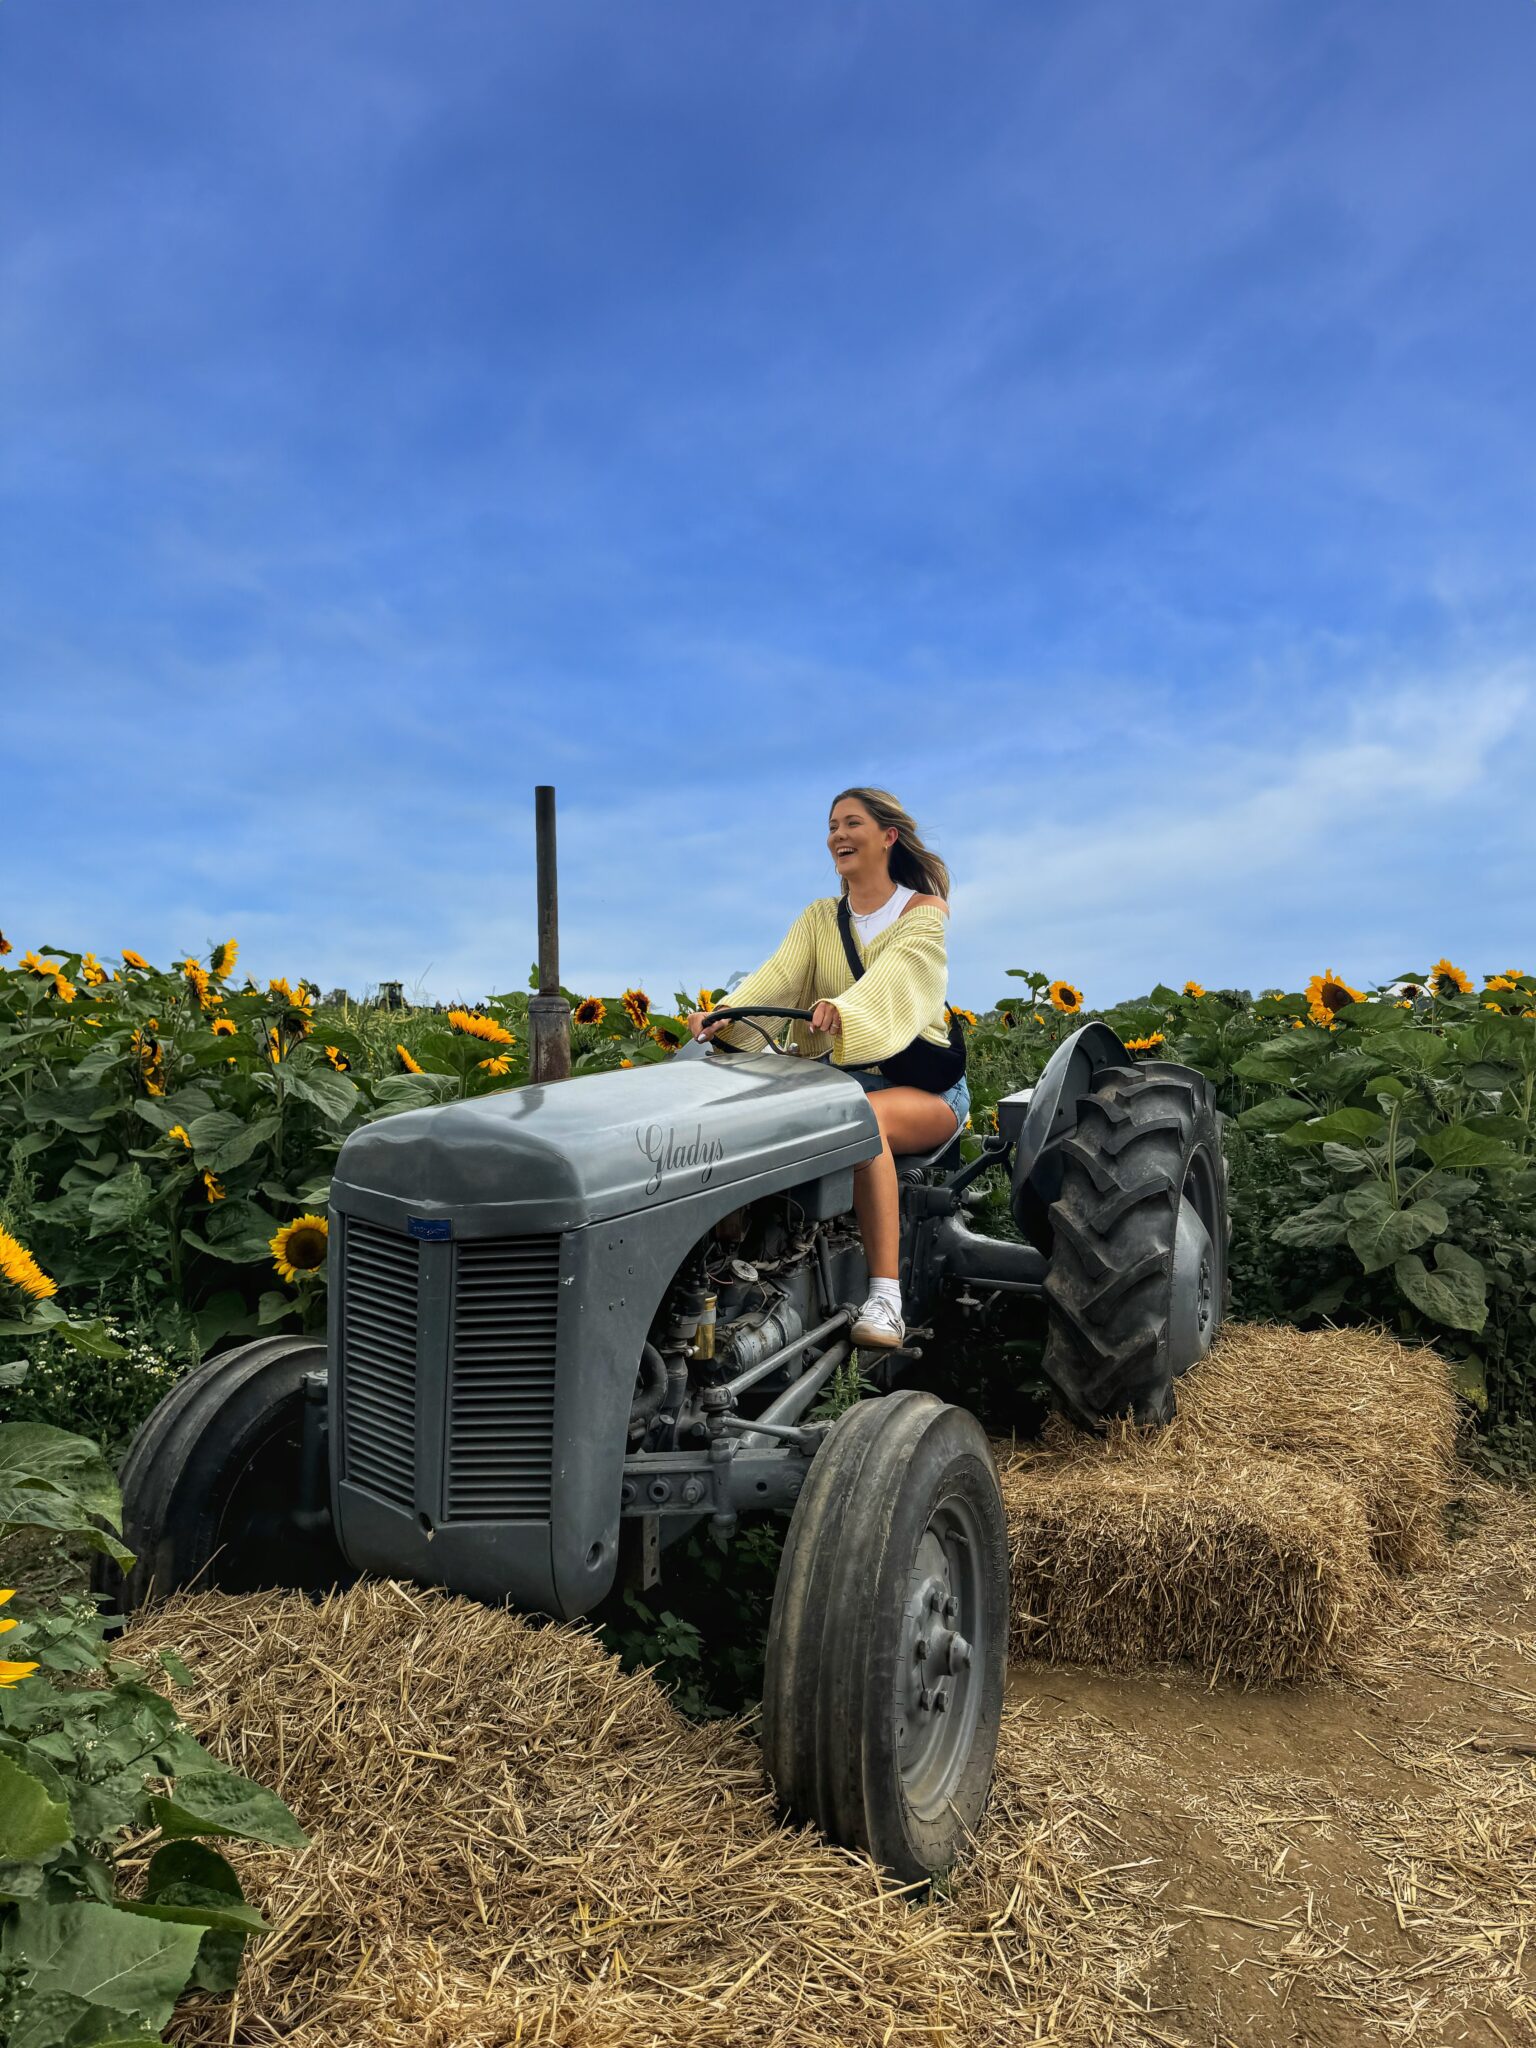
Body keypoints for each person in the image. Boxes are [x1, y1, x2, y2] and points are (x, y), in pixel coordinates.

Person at [686, 787, 969, 1350]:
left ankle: (886, 1296)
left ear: (888, 836)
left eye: (852, 823)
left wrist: (847, 1010)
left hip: (922, 1087)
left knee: (862, 1119)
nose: (838, 835)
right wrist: (727, 1015)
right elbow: (777, 977)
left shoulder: (923, 915)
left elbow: (899, 981)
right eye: (832, 825)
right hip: (841, 1077)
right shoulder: (819, 919)